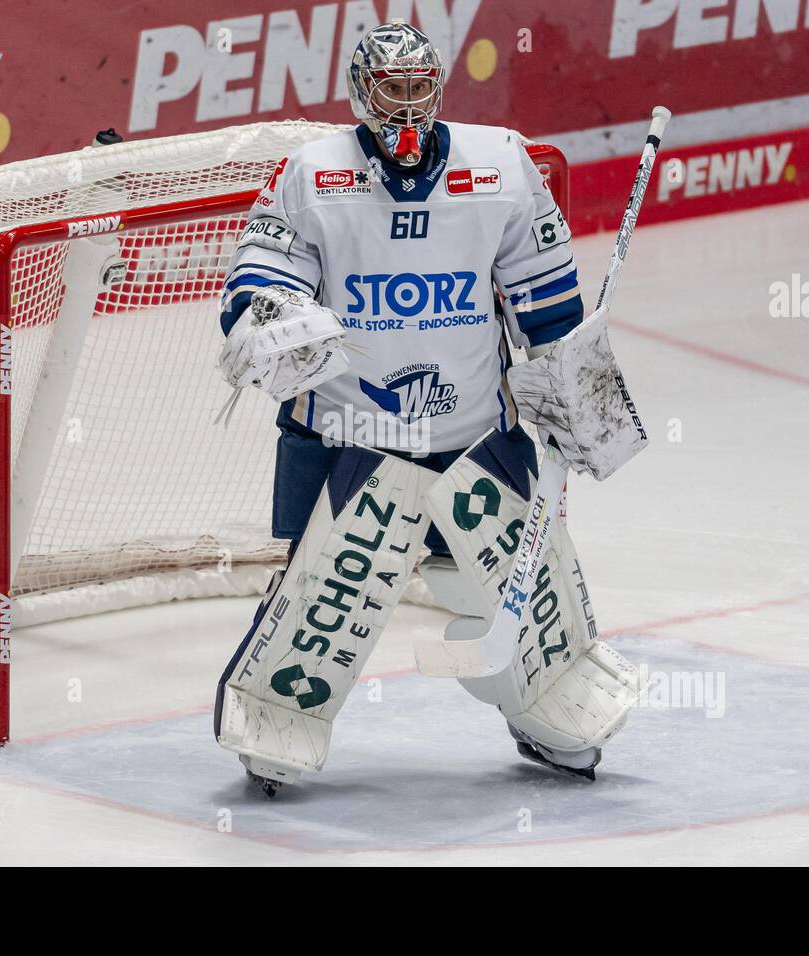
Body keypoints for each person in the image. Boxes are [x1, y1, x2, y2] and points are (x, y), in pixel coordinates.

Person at [213, 19, 638, 795]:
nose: (407, 106)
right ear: (360, 92)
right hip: (346, 437)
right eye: (391, 89)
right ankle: (281, 713)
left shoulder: (500, 163)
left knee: (519, 593)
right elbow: (255, 281)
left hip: (473, 431)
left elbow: (547, 305)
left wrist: (577, 389)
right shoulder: (313, 174)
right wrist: (272, 320)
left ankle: (544, 706)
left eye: (419, 88)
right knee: (325, 598)